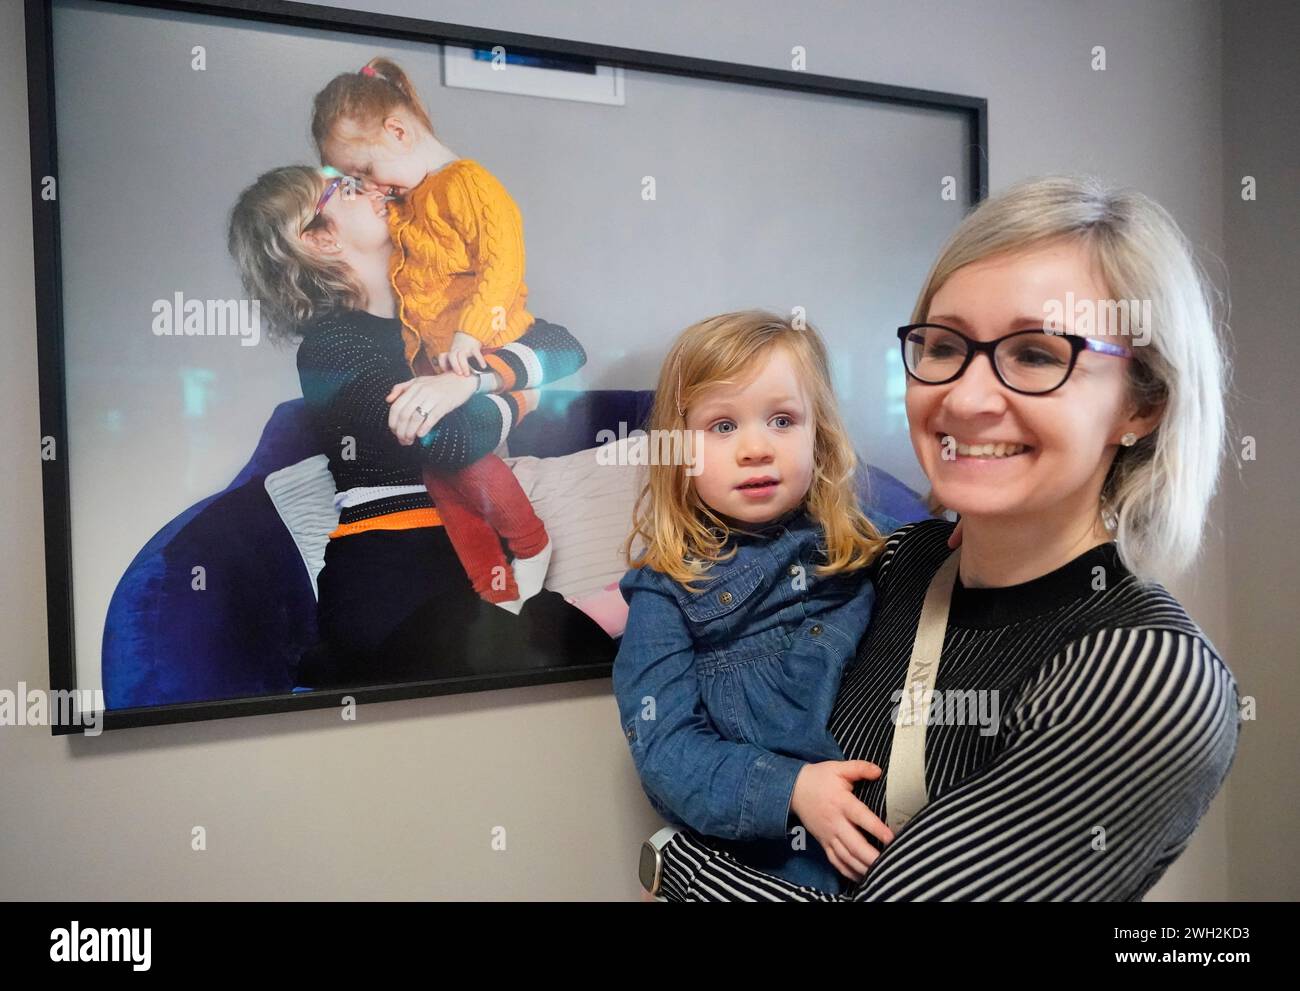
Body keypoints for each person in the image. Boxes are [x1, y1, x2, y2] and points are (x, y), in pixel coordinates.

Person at [638, 175, 1241, 900]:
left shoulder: (1146, 676)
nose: (965, 397)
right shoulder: (898, 563)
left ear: (1141, 405)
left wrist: (674, 864)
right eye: (945, 345)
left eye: (1037, 354)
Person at [226, 164, 617, 687]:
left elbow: (564, 347)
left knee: (585, 654)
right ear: (319, 238)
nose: (375, 188)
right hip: (392, 583)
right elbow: (452, 443)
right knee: (553, 649)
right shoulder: (332, 347)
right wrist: (520, 393)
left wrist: (467, 384)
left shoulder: (448, 317)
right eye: (344, 188)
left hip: (471, 571)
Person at [613, 310, 894, 891]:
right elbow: (664, 749)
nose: (756, 448)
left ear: (820, 436)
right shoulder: (665, 591)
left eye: (783, 420)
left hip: (890, 850)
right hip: (758, 865)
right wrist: (790, 788)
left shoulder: (861, 544)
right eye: (722, 427)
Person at [309, 56, 558, 611]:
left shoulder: (465, 183)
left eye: (367, 173)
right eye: (356, 185)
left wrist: (473, 342)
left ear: (398, 132)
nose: (374, 189)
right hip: (444, 363)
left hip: (480, 346)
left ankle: (531, 542)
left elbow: (503, 261)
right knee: (444, 478)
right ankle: (496, 588)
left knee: (459, 459)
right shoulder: (409, 203)